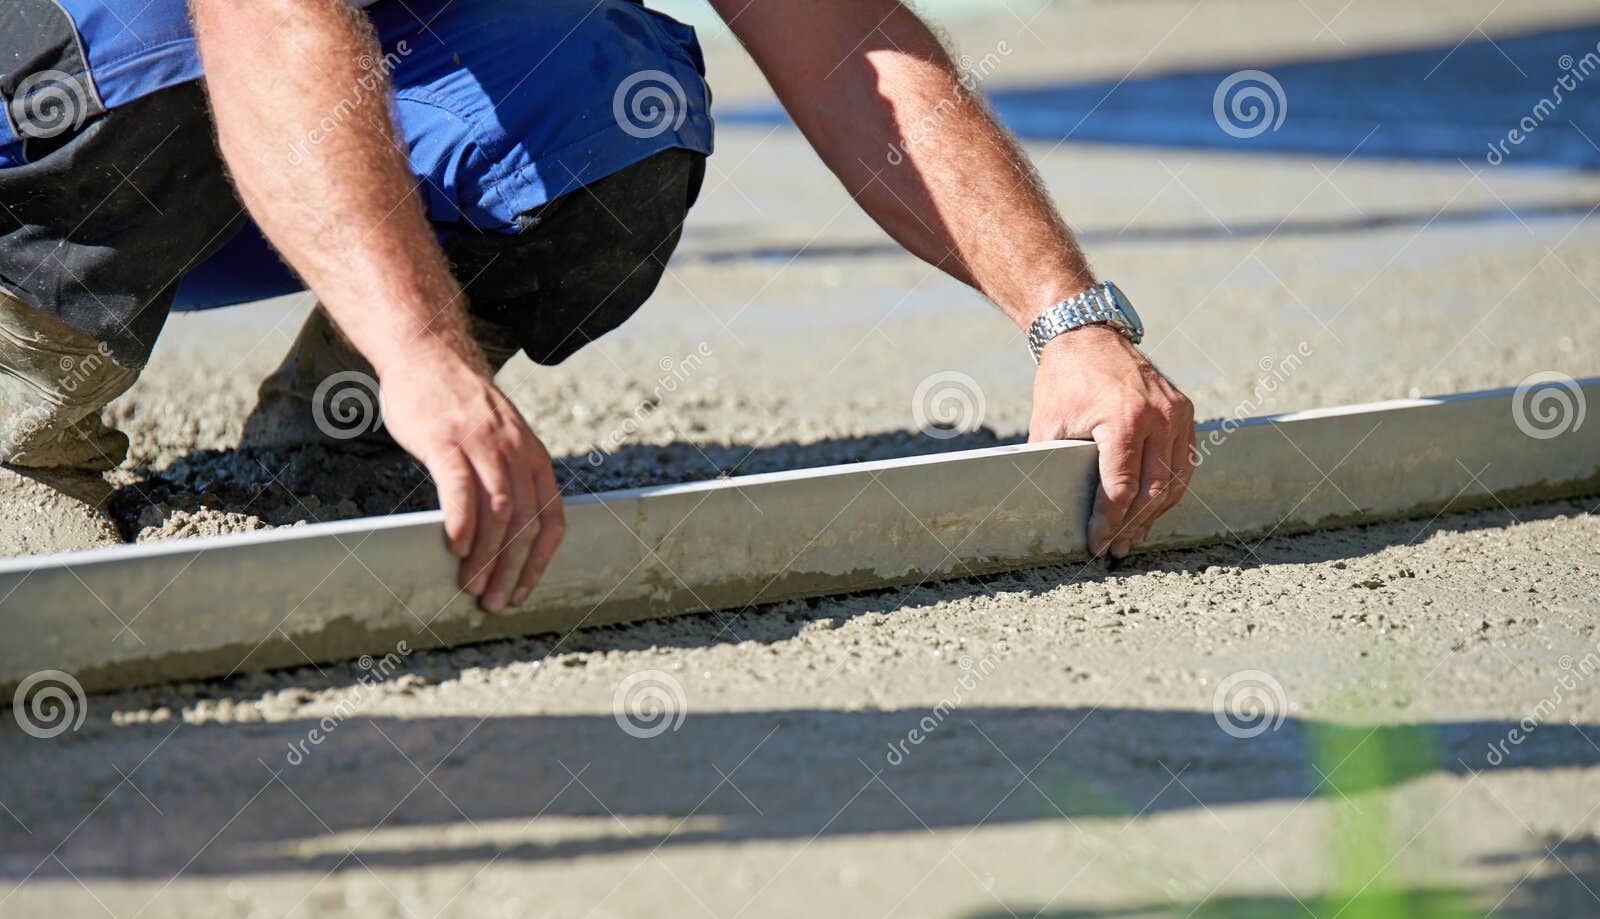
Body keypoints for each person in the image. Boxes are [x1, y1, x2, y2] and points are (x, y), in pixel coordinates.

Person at [0, 0, 1194, 611]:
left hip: (304, 81)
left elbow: (848, 42)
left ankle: (334, 448)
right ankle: (22, 434)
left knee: (609, 89)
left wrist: (1069, 318)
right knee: (143, 47)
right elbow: (269, 26)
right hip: (66, 84)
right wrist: (417, 346)